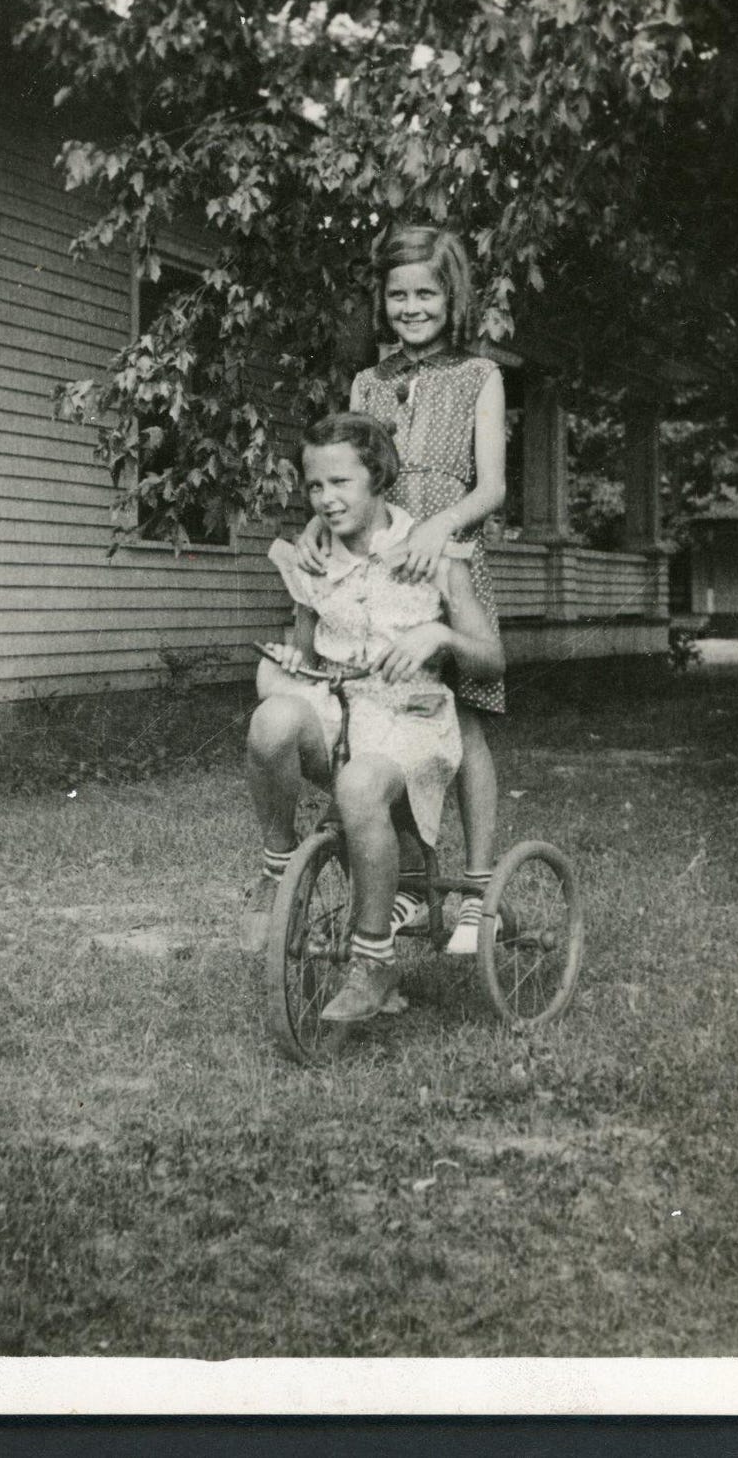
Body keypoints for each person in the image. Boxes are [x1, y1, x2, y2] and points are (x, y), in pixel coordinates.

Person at [242, 412, 504, 1023]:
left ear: (378, 476)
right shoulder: (311, 560)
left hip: (412, 722)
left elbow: (492, 659)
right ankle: (277, 871)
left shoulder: (434, 556)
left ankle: (374, 959)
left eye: (341, 483)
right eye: (314, 487)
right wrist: (290, 660)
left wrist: (438, 633)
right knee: (271, 720)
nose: (326, 500)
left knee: (361, 785)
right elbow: (306, 653)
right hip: (341, 714)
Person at [296, 224, 506, 954]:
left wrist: (434, 528)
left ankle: (479, 895)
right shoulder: (368, 383)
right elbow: (349, 470)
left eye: (427, 293)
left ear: (453, 297)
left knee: (463, 720)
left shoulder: (480, 376)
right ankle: (410, 886)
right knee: (379, 712)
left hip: (446, 552)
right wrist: (326, 529)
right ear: (381, 303)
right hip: (379, 561)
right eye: (398, 295)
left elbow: (493, 485)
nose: (412, 306)